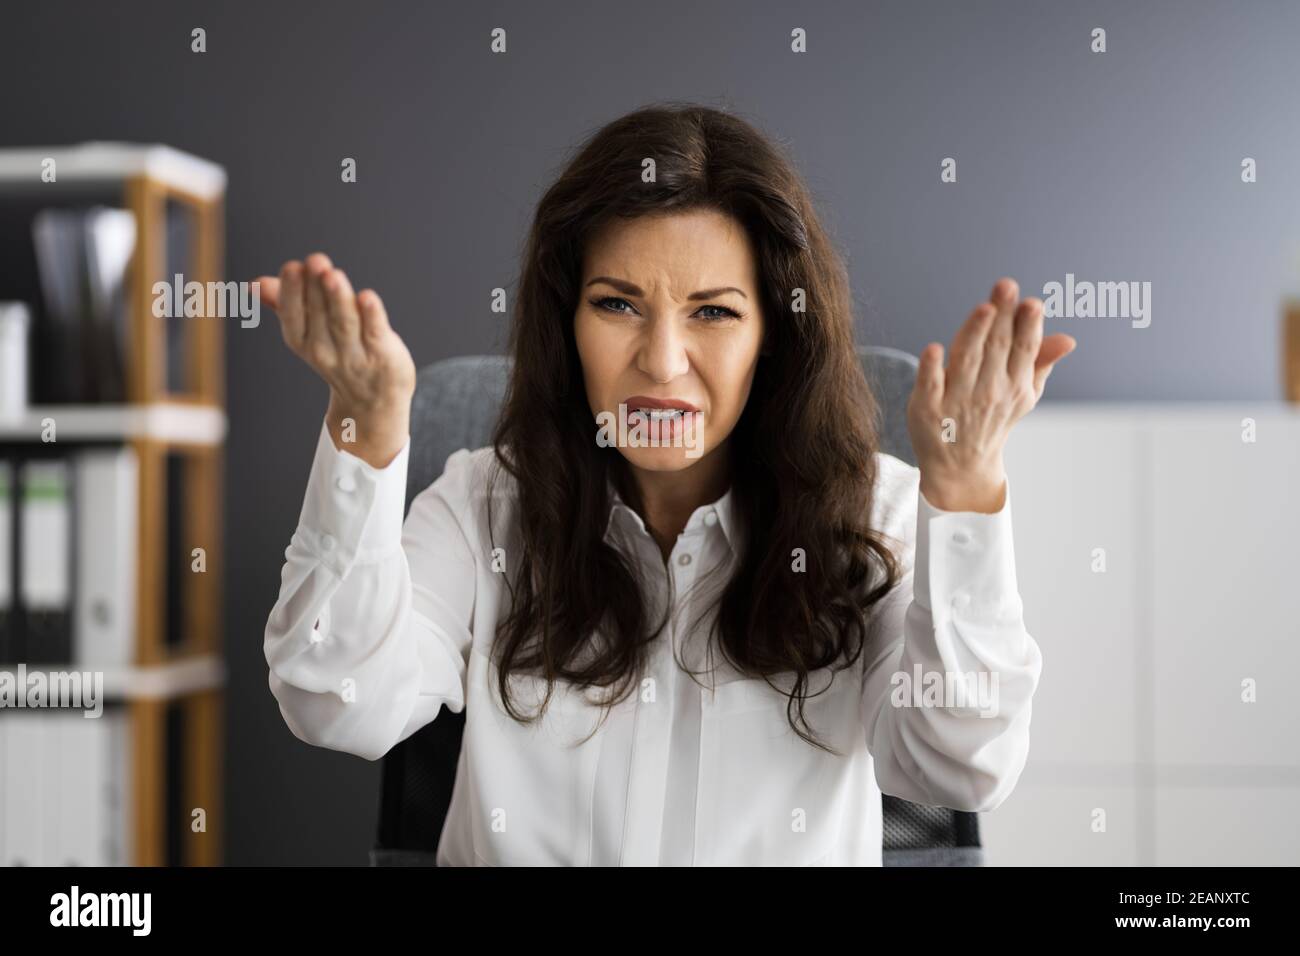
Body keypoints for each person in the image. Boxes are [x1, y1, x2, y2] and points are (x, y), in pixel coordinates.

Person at [256, 103, 1074, 866]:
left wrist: (964, 491)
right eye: (618, 304)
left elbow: (962, 767)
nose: (661, 361)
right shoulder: (484, 505)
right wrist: (364, 430)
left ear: (774, 338)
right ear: (566, 322)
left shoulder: (876, 516)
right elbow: (337, 700)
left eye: (713, 313)